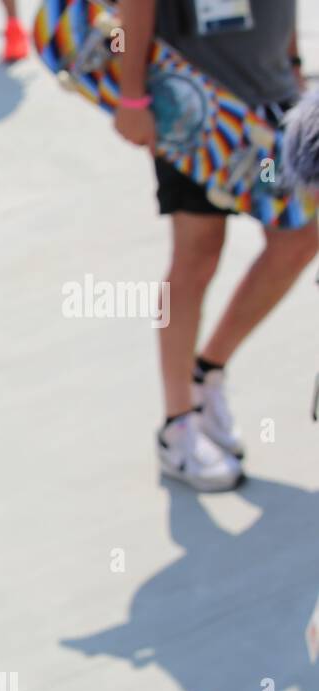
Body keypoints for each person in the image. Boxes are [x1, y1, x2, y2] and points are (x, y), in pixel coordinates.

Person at [114, 0, 318, 492]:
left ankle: (207, 370)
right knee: (197, 252)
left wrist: (292, 68)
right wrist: (133, 96)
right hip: (192, 103)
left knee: (300, 235)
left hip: (272, 98)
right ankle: (177, 422)